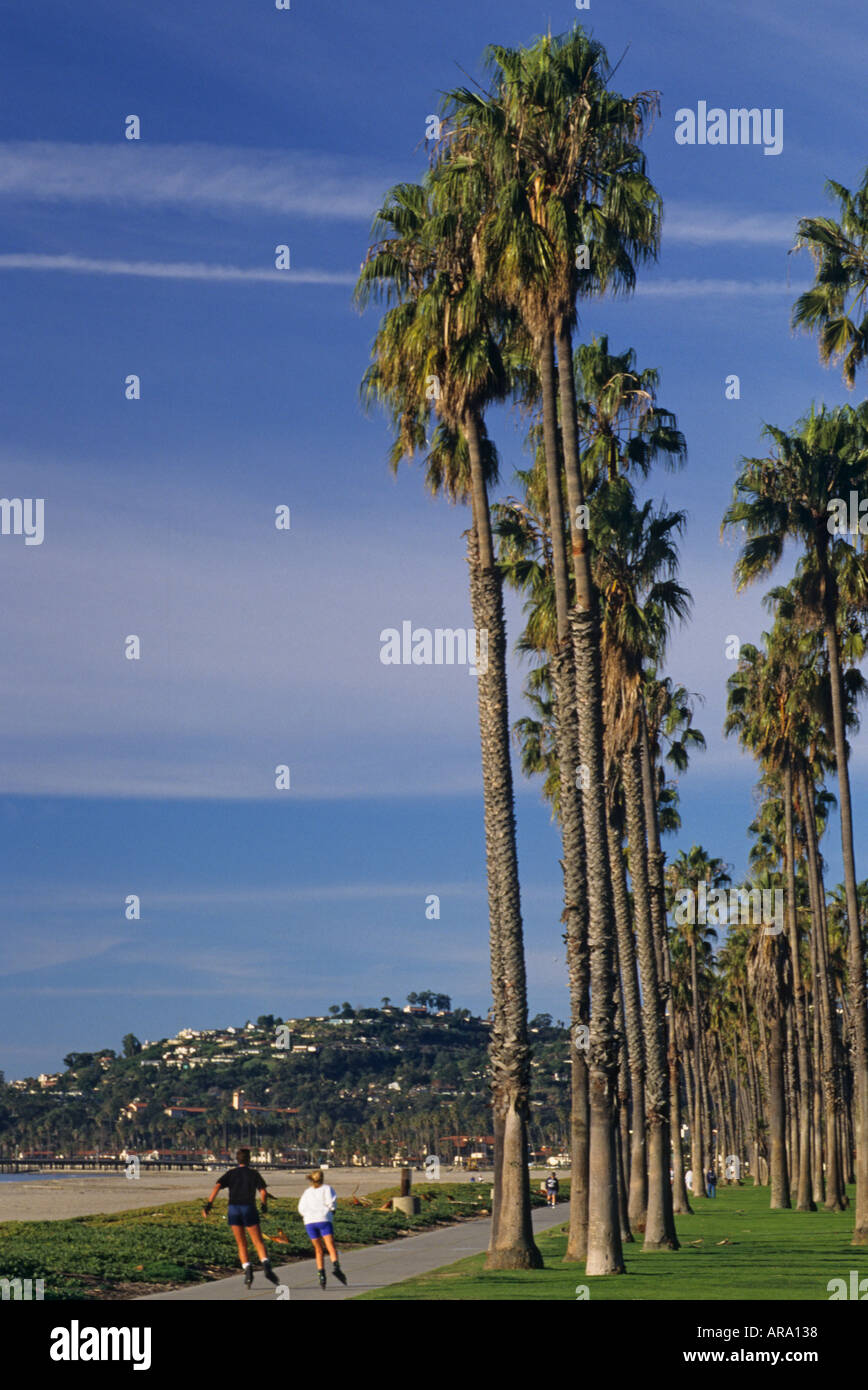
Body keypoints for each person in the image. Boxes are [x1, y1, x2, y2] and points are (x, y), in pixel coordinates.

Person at [203, 1147, 278, 1289]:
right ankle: (266, 1266)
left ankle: (248, 1272)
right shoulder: (254, 1174)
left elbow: (217, 1187)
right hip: (249, 1208)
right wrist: (264, 1205)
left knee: (241, 1243)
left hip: (234, 1209)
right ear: (249, 1159)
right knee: (258, 1241)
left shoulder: (231, 1174)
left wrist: (208, 1206)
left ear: (237, 1159)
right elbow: (263, 1191)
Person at [299, 1169, 347, 1289]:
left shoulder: (307, 1192)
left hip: (310, 1221)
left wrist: (307, 1215)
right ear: (322, 1178)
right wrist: (331, 1211)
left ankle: (321, 1274)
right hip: (324, 1219)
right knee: (330, 1245)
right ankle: (336, 1266)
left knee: (318, 1249)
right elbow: (332, 1203)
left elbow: (301, 1208)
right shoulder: (327, 1188)